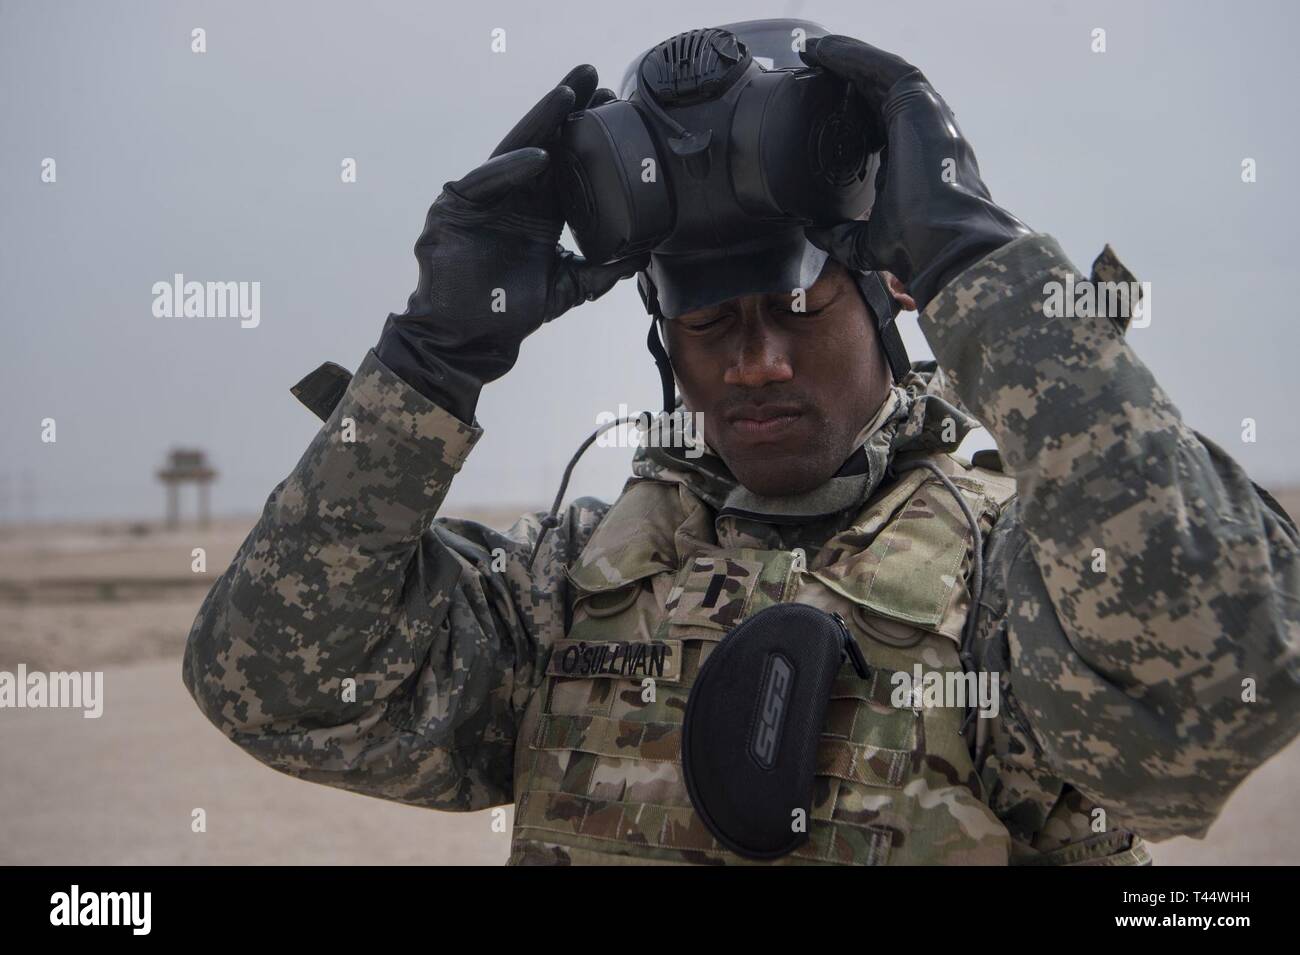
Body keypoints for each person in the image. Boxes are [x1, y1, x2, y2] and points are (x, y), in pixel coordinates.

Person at [182, 25, 1300, 865]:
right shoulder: (567, 589)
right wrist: (429, 364)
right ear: (668, 346)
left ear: (891, 309)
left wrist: (983, 271)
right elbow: (275, 685)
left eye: (800, 312)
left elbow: (1222, 683)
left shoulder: (1018, 578)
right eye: (711, 324)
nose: (757, 361)